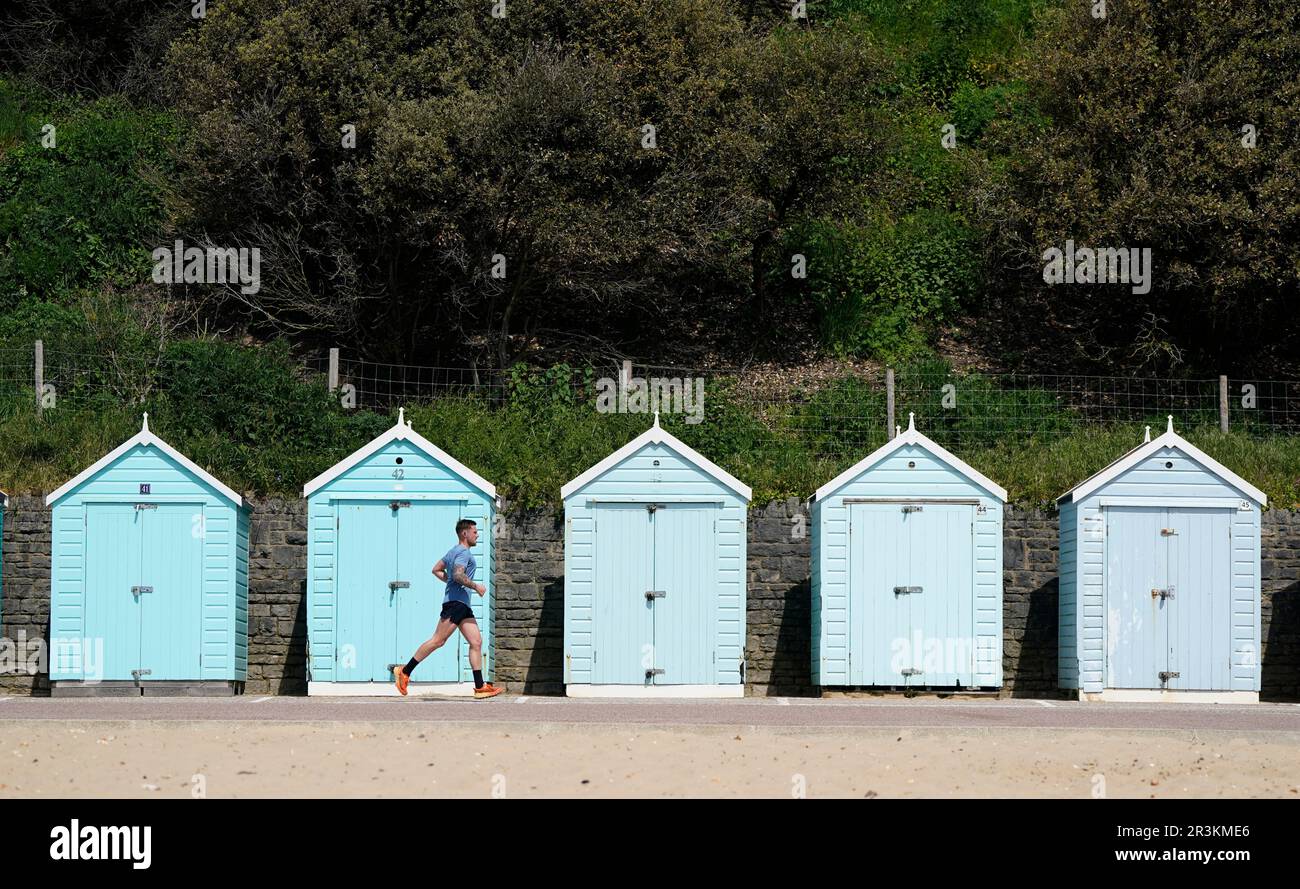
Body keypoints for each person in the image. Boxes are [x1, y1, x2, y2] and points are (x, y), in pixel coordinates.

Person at [393, 518, 502, 699]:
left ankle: (480, 686)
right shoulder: (463, 553)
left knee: (476, 642)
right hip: (456, 603)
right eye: (474, 532)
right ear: (464, 533)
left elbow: (436, 569)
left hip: (462, 605)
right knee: (438, 640)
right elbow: (458, 574)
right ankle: (404, 671)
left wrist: (452, 581)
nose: (477, 535)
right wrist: (476, 586)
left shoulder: (453, 551)